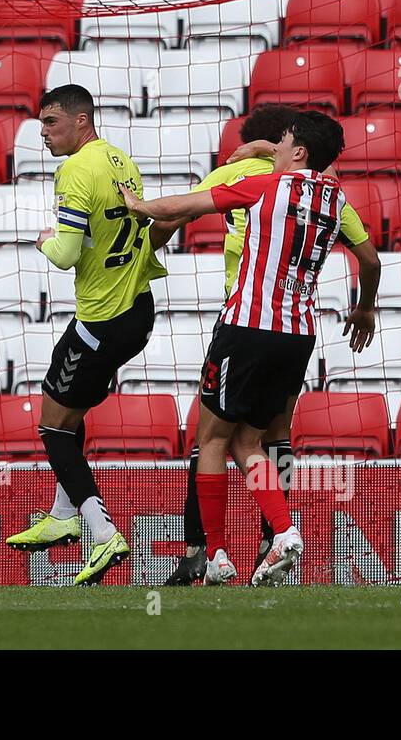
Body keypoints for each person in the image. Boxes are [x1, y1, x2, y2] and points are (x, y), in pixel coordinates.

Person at [120, 111, 380, 586]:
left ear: (297, 152)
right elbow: (369, 260)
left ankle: (215, 551)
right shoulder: (336, 199)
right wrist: (364, 310)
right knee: (249, 441)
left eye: (279, 144)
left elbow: (188, 205)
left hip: (247, 327)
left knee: (212, 438)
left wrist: (138, 204)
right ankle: (280, 532)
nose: (272, 151)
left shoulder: (263, 188)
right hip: (298, 334)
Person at [4, 84, 168, 585]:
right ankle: (61, 515)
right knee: (70, 412)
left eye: (51, 123)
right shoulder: (120, 160)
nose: (44, 133)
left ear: (81, 120)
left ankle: (101, 532)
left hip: (100, 319)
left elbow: (69, 254)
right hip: (138, 310)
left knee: (52, 425)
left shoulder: (74, 170)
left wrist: (42, 242)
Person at [142, 104, 302, 585]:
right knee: (276, 439)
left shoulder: (233, 173)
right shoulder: (310, 182)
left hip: (241, 320)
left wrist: (145, 247)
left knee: (211, 435)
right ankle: (271, 541)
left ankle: (203, 550)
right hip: (294, 324)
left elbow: (169, 222)